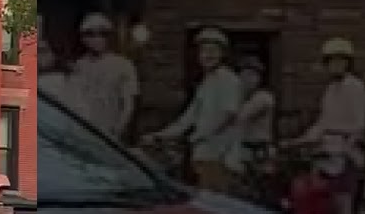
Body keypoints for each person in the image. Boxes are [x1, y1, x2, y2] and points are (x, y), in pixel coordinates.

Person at [281, 37, 365, 214]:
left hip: (346, 153)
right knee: (318, 198)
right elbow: (322, 123)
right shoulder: (330, 90)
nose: (335, 65)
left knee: (342, 201)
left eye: (340, 61)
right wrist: (297, 141)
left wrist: (330, 130)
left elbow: (359, 125)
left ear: (348, 63)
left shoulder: (355, 87)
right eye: (331, 61)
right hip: (326, 154)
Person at [143, 27, 243, 194]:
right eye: (204, 51)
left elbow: (228, 114)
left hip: (219, 155)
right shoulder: (205, 83)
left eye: (213, 51)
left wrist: (200, 134)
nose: (207, 56)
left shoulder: (228, 79)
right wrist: (160, 135)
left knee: (216, 203)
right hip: (203, 154)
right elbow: (188, 118)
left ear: (222, 54)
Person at [72, 13, 139, 140]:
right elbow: (75, 98)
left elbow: (128, 104)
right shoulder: (80, 65)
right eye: (90, 34)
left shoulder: (123, 65)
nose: (97, 38)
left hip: (110, 132)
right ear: (83, 38)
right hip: (83, 131)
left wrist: (118, 129)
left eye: (103, 34)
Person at [235, 56, 276, 171]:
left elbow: (240, 116)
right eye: (243, 75)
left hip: (259, 153)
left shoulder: (263, 97)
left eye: (251, 75)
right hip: (243, 152)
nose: (246, 79)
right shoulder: (243, 98)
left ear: (259, 78)